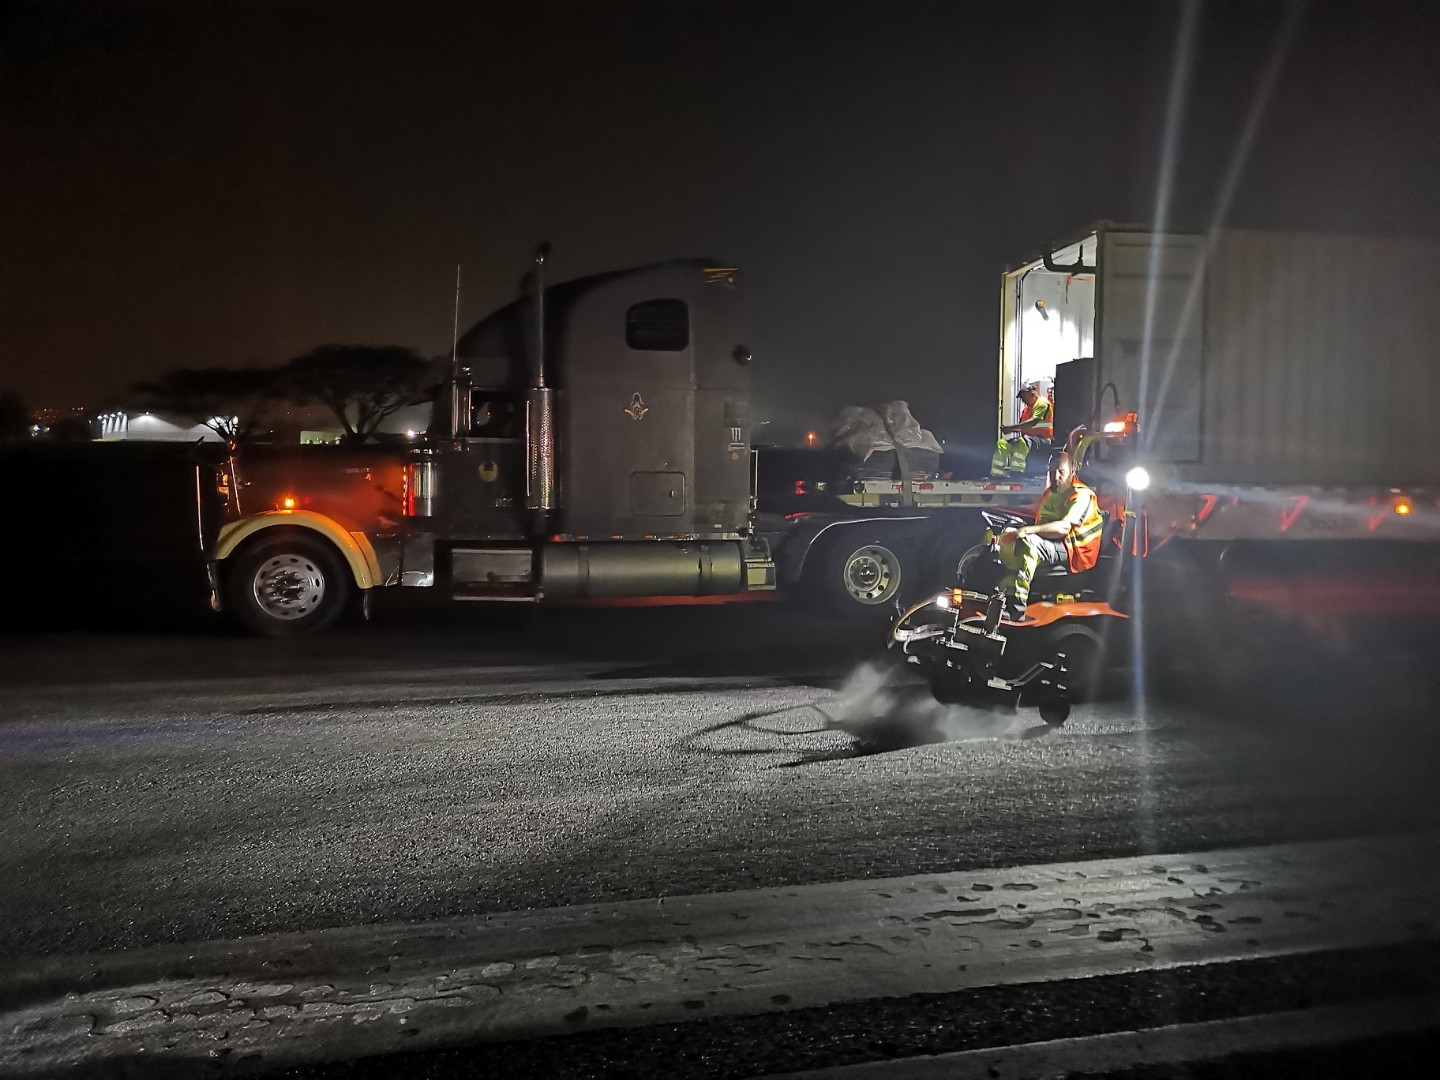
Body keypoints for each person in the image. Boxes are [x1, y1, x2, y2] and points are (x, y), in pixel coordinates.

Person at [996, 449, 1104, 619]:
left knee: (1028, 544)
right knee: (1004, 537)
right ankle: (999, 594)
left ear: (1073, 471)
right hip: (1055, 542)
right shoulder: (1051, 492)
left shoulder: (1081, 494)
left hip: (1074, 550)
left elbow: (1063, 528)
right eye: (1052, 472)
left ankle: (1017, 610)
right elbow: (1043, 523)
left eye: (1061, 472)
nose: (1056, 477)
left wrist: (1026, 531)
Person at [990, 383, 1053, 476]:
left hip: (1043, 440)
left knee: (1022, 442)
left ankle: (1017, 473)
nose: (1023, 400)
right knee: (1002, 443)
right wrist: (1011, 430)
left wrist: (1011, 428)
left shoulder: (1042, 404)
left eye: (1024, 397)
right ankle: (997, 473)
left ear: (1032, 393)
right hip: (1029, 439)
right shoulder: (1027, 409)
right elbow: (1025, 428)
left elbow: (1033, 422)